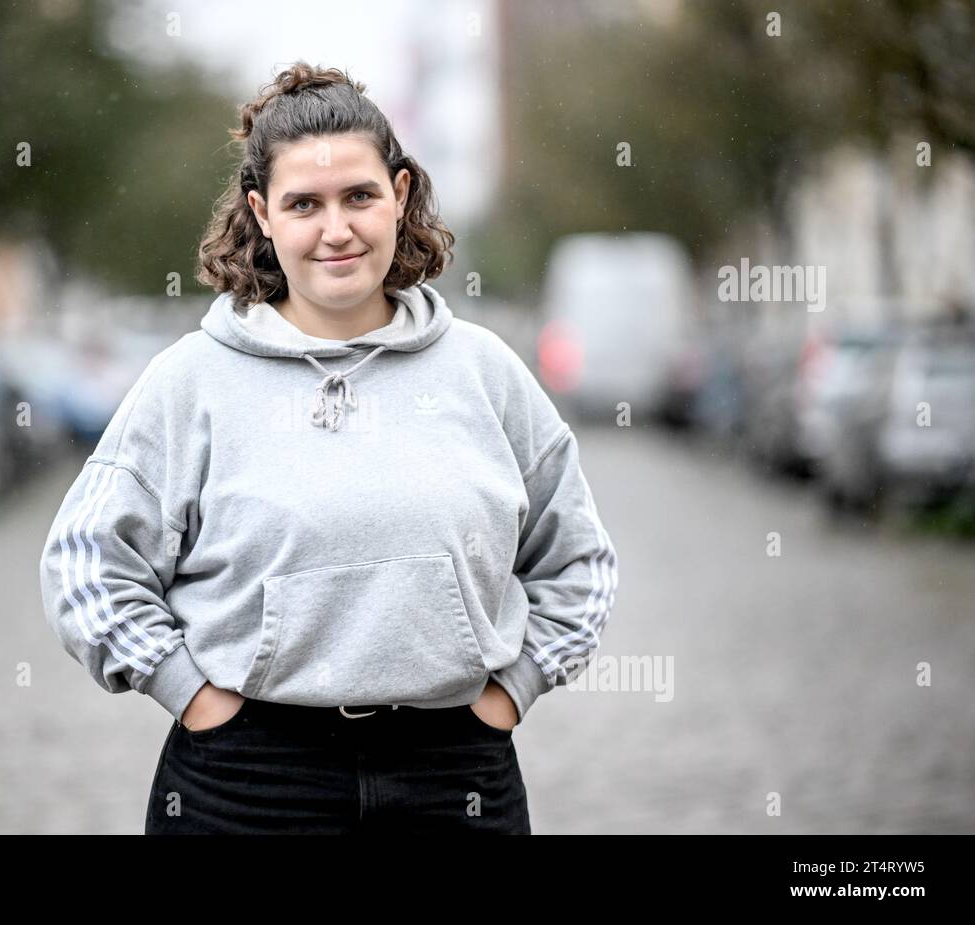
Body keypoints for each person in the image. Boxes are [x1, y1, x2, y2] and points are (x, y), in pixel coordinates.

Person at [37, 61, 619, 834]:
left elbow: (579, 558)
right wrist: (192, 695)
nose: (336, 229)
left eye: (360, 196)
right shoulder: (191, 382)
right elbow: (85, 562)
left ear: (401, 194)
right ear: (263, 213)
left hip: (456, 775)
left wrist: (513, 688)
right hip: (246, 784)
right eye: (304, 204)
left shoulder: (484, 373)